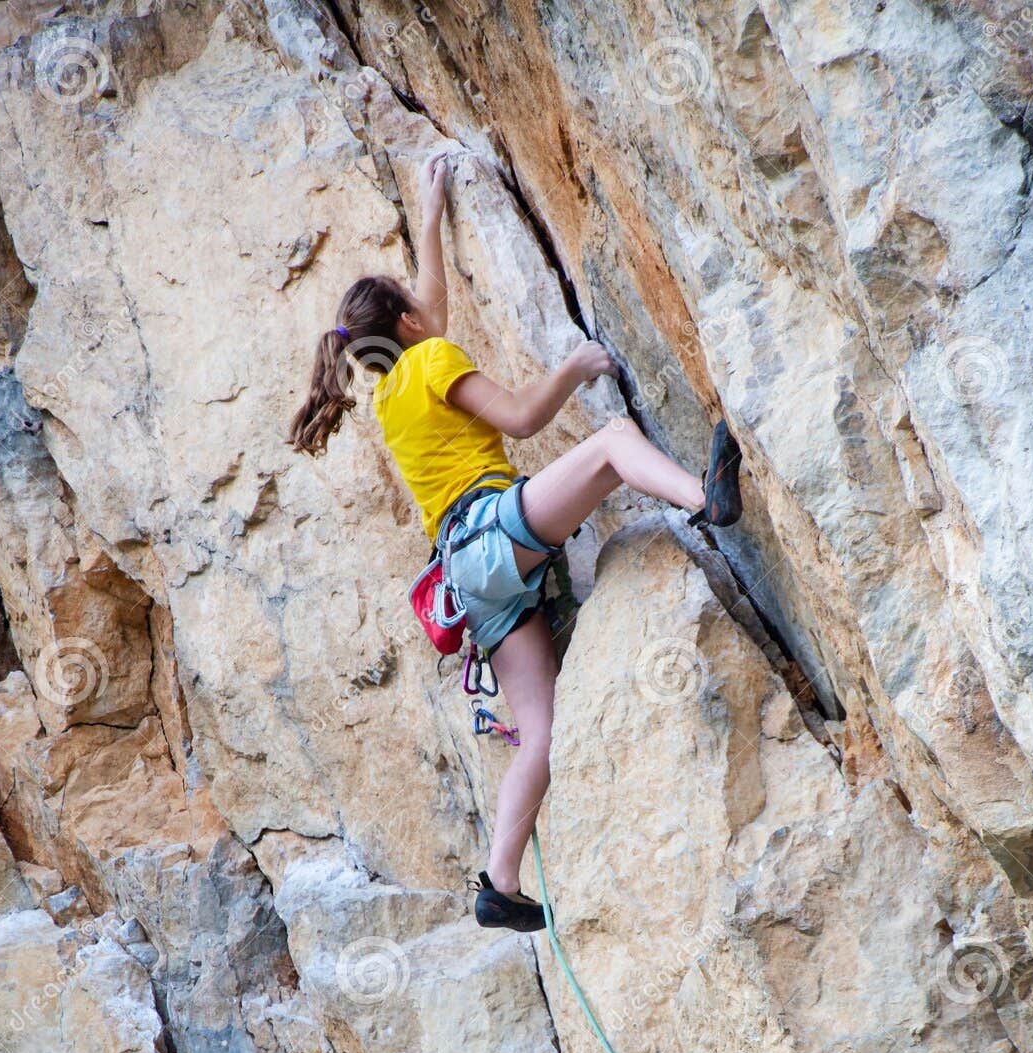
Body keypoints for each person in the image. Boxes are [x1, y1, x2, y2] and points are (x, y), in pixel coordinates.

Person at [290, 153, 742, 932]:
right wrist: (574, 366)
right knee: (609, 441)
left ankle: (498, 882)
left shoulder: (392, 388)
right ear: (404, 326)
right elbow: (524, 418)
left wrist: (429, 211)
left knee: (541, 729)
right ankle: (706, 499)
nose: (429, 310)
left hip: (470, 581)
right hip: (492, 535)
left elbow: (428, 304)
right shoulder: (430, 357)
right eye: (414, 307)